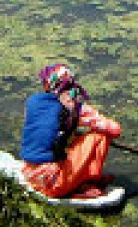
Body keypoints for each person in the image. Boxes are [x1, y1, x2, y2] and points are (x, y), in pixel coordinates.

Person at [20, 63, 122, 199]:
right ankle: (86, 183)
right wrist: (90, 123)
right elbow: (115, 130)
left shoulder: (32, 102)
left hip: (30, 176)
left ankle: (74, 179)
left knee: (68, 142)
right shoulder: (73, 107)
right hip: (54, 184)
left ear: (46, 85)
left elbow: (46, 130)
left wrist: (72, 131)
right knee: (99, 136)